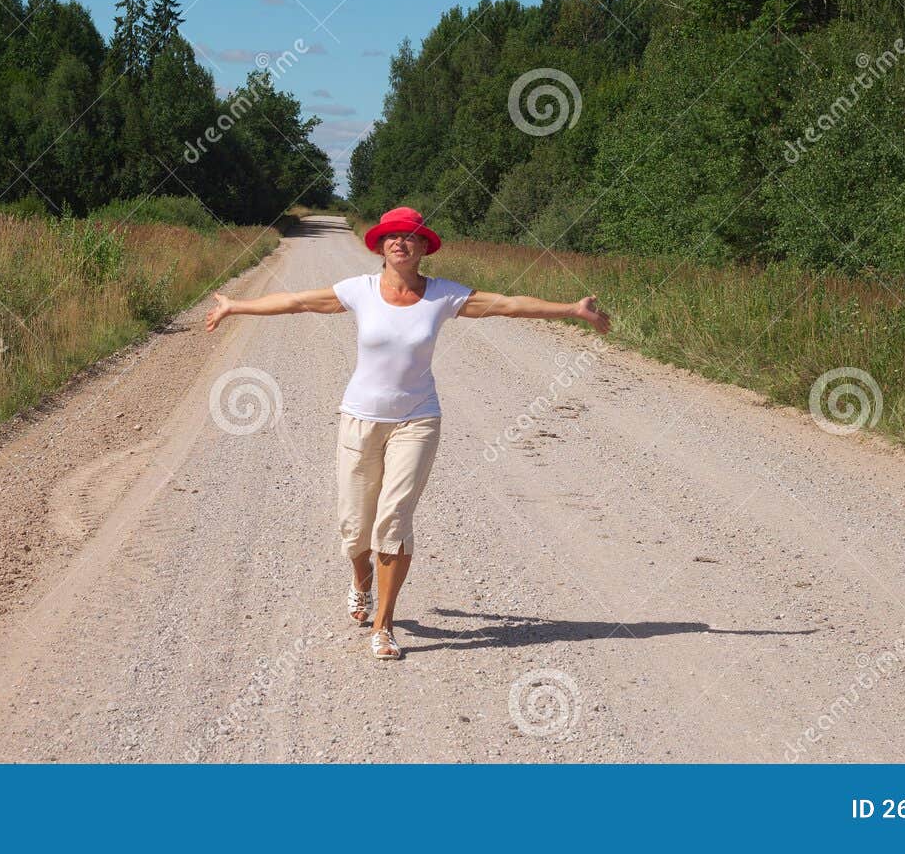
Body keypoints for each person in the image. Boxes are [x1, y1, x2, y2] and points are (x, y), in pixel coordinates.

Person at [204, 206, 611, 660]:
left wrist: (573, 310)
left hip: (418, 419)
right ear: (380, 246)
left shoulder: (443, 296)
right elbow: (297, 301)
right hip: (360, 418)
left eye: (410, 237)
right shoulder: (359, 291)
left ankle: (384, 623)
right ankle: (361, 584)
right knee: (355, 527)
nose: (400, 243)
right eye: (392, 237)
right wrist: (235, 305)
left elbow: (508, 305)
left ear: (423, 248)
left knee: (393, 521)